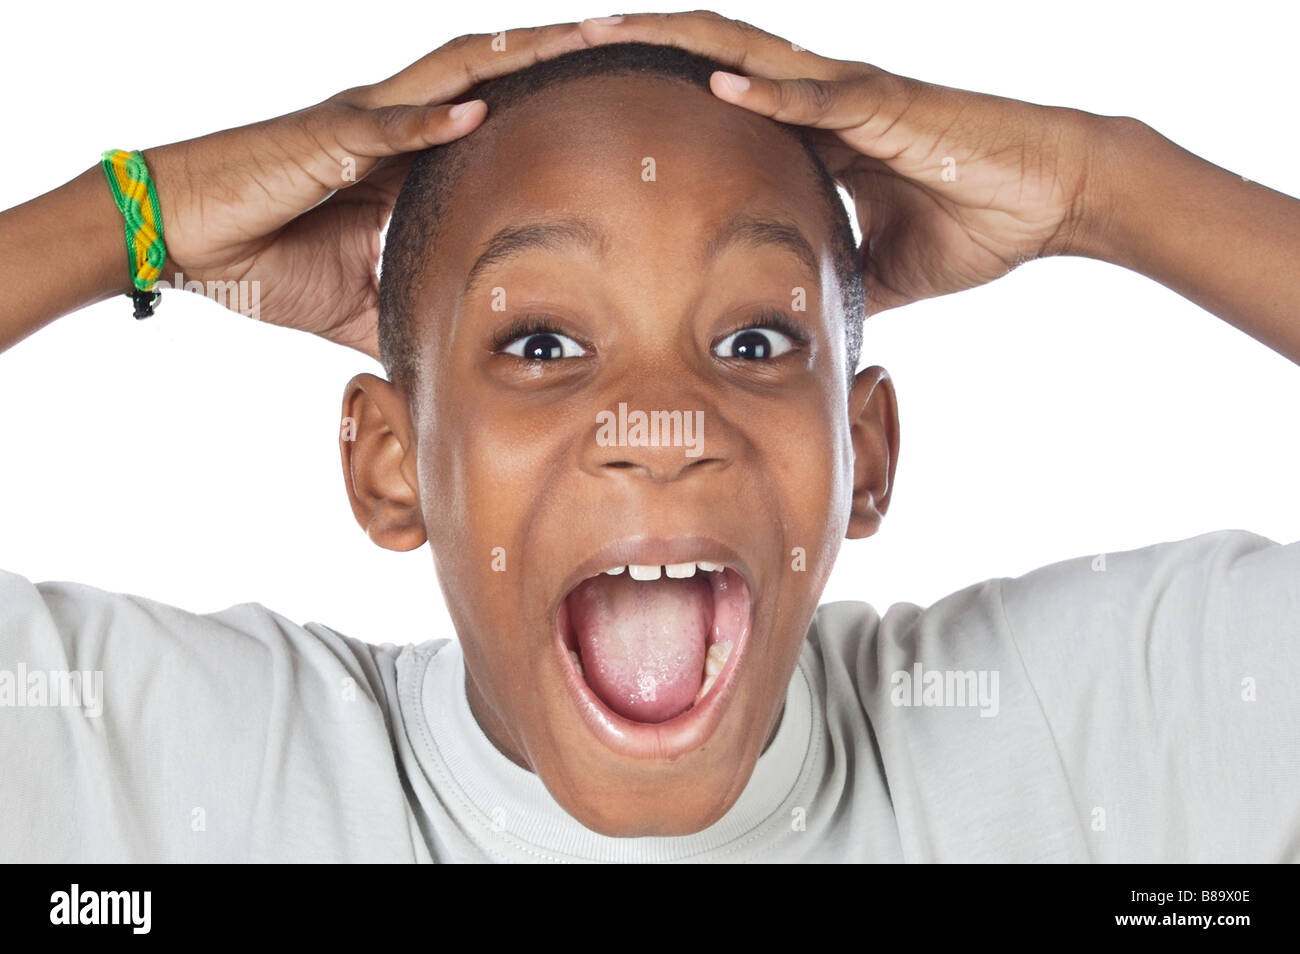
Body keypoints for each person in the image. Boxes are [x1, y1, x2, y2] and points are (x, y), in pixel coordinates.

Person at [1, 12, 1296, 862]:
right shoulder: (187, 770)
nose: (657, 425)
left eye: (752, 342)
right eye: (543, 344)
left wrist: (1104, 187)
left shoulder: (1104, 725)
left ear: (865, 450)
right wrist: (135, 215)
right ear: (392, 462)